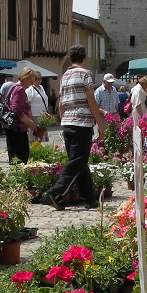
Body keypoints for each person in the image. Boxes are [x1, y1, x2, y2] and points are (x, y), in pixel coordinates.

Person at [41, 45, 106, 211]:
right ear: (84, 58)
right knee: (77, 161)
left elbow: (61, 102)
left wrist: (63, 122)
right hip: (82, 122)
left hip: (68, 122)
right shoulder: (86, 74)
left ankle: (89, 198)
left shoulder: (64, 76)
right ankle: (54, 192)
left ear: (69, 58)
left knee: (80, 161)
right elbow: (91, 100)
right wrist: (100, 124)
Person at [26, 73, 50, 144]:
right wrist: (30, 118)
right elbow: (28, 104)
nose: (39, 81)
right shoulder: (30, 89)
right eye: (37, 79)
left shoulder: (42, 88)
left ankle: (38, 149)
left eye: (40, 78)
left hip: (43, 116)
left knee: (40, 137)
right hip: (34, 115)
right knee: (33, 137)